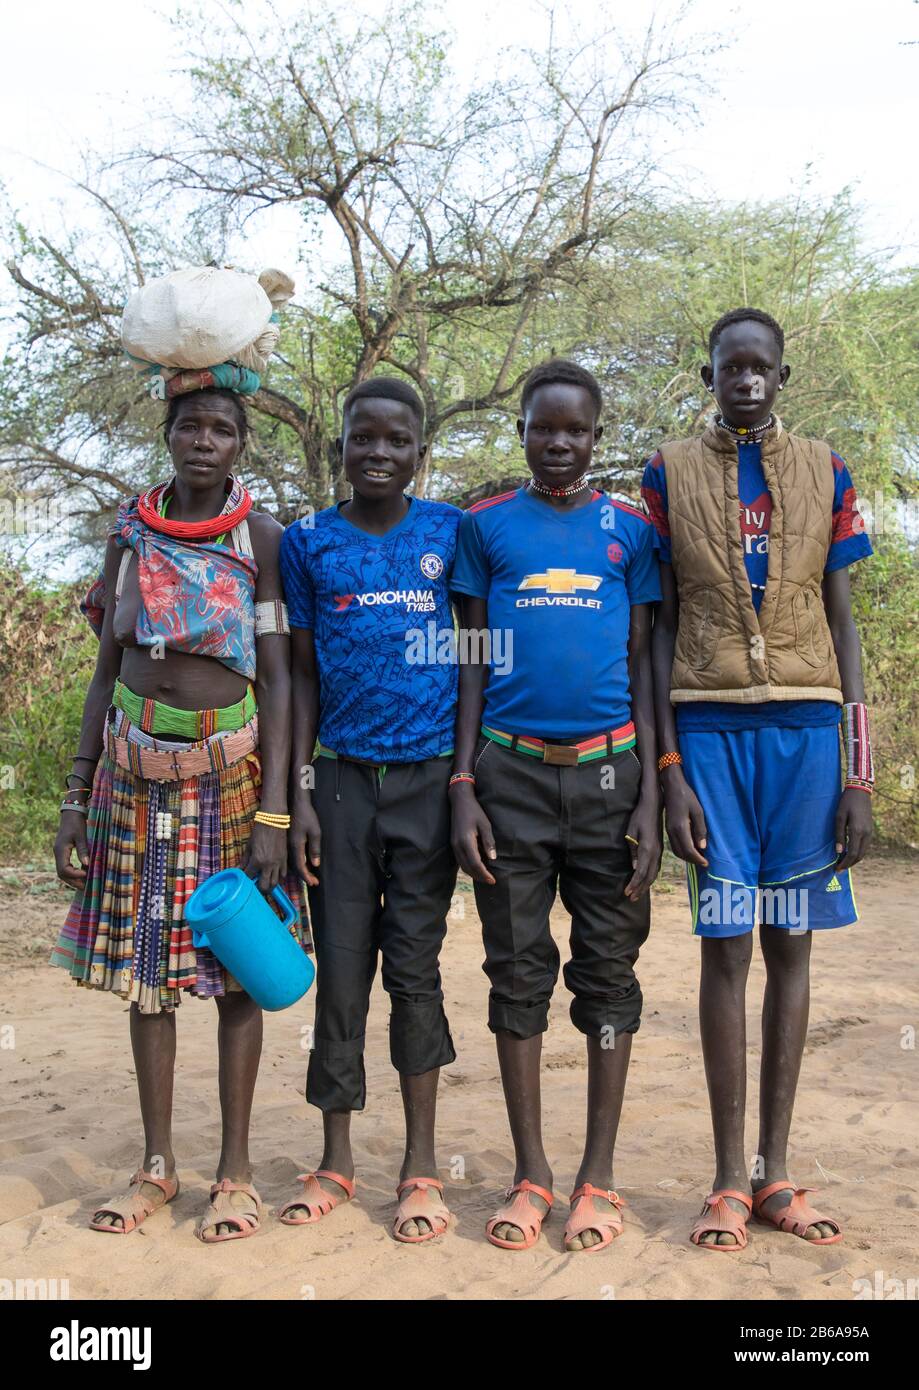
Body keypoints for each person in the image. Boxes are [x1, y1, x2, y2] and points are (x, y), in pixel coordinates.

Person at [52, 384, 308, 1243]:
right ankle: (157, 1165)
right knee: (147, 973)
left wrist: (275, 812)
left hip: (229, 778)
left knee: (234, 970)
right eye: (191, 426)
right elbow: (103, 672)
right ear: (167, 435)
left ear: (242, 444)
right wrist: (76, 793)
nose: (205, 440)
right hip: (131, 778)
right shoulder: (129, 534)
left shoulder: (259, 538)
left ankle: (234, 1173)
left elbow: (276, 679)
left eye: (223, 429)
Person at [642, 307, 874, 1251]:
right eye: (728, 368)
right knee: (724, 948)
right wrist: (666, 770)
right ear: (708, 377)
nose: (744, 381)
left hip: (810, 732)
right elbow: (654, 628)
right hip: (706, 730)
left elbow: (843, 620)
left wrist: (859, 773)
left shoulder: (826, 468)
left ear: (780, 376)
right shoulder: (666, 470)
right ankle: (726, 1179)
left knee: (790, 944)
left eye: (760, 368)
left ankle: (778, 1173)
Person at [450, 359, 661, 1252]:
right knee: (516, 970)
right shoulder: (485, 527)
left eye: (575, 430)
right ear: (523, 432)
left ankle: (596, 1177)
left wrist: (655, 785)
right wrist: (463, 784)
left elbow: (648, 658)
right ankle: (530, 1172)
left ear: (596, 436)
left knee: (608, 976)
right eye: (544, 428)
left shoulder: (632, 531)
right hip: (509, 779)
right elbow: (469, 661)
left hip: (614, 779)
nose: (559, 443)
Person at [280, 378, 462, 1243]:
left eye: (396, 441)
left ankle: (420, 1166)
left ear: (418, 453)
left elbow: (472, 665)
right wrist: (302, 792)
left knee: (415, 974)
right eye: (363, 439)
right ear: (341, 446)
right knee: (343, 975)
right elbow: (302, 677)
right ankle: (336, 1160)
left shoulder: (449, 534)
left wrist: (464, 782)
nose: (378, 453)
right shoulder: (309, 541)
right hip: (342, 786)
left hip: (428, 785)